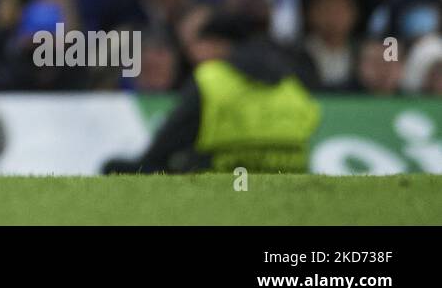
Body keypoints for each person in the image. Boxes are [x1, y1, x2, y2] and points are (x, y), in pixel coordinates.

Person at [103, 9, 321, 174]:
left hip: (226, 193)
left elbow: (164, 148)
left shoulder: (213, 80)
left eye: (202, 42)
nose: (194, 52)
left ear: (220, 44)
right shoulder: (292, 83)